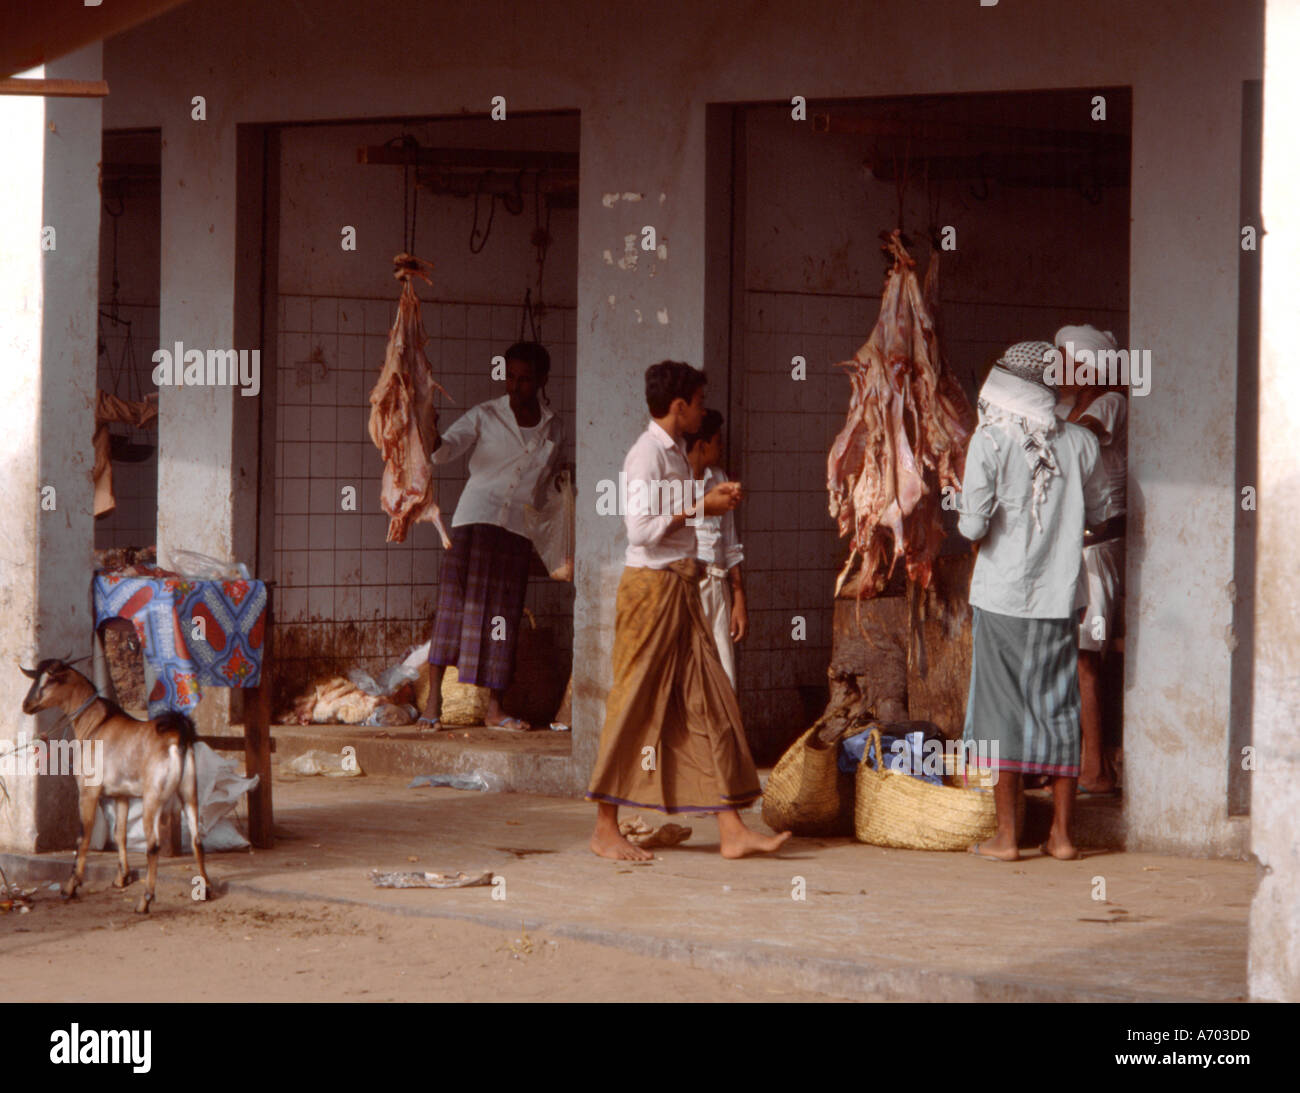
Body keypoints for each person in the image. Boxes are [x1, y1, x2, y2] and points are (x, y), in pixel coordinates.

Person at [586, 361, 791, 861]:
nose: (704, 410)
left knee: (708, 699)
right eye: (699, 401)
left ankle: (731, 828)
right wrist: (702, 506)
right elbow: (639, 530)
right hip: (650, 591)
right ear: (678, 406)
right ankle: (604, 826)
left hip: (681, 588)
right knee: (633, 700)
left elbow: (677, 513)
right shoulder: (645, 455)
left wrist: (708, 498)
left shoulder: (676, 452)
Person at [957, 341, 1108, 862]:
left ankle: (1007, 838)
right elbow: (1104, 510)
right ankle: (1063, 837)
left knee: (1001, 712)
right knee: (1057, 707)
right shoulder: (1082, 443)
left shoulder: (990, 439)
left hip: (1002, 595)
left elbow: (972, 524)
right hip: (1061, 594)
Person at [418, 342, 562, 733]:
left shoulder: (554, 426)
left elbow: (548, 486)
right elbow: (442, 452)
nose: (516, 386)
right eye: (511, 377)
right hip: (472, 522)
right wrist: (426, 426)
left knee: (504, 617)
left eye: (526, 379)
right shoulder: (485, 414)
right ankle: (434, 702)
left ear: (542, 380)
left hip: (516, 531)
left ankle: (494, 708)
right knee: (453, 609)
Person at [1054, 324, 1127, 796]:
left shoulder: (1109, 404)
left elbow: (1082, 437)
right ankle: (1077, 760)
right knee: (1069, 655)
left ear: (1090, 366)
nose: (1057, 369)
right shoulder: (1062, 408)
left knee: (1086, 657)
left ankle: (1096, 768)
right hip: (1071, 544)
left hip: (1100, 546)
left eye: (1066, 361)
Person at [683, 409, 747, 689]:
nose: (721, 448)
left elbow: (730, 543)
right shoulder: (673, 481)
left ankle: (724, 734)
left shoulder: (719, 478)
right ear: (702, 445)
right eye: (718, 441)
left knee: (724, 676)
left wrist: (738, 597)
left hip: (718, 587)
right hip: (687, 587)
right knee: (688, 674)